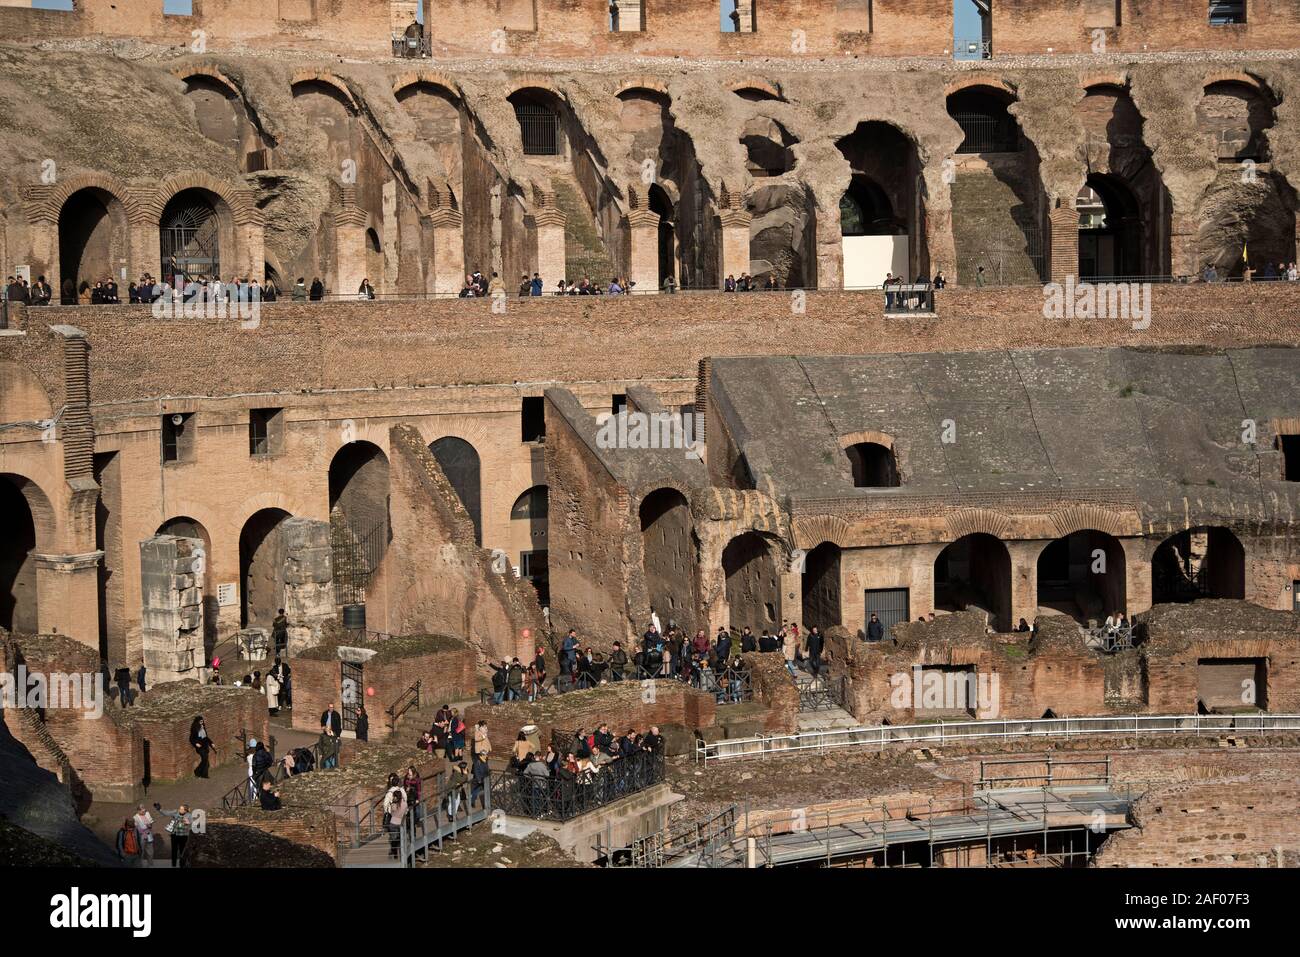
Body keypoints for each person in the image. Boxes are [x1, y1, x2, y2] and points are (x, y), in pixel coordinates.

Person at [155, 803, 193, 868]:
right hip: (175, 835)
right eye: (180, 808)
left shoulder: (189, 815)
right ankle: (174, 865)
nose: (179, 809)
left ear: (185, 811)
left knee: (182, 851)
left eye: (181, 809)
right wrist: (160, 809)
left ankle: (182, 865)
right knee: (174, 850)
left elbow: (191, 822)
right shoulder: (175, 812)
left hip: (183, 835)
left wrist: (188, 822)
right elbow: (166, 813)